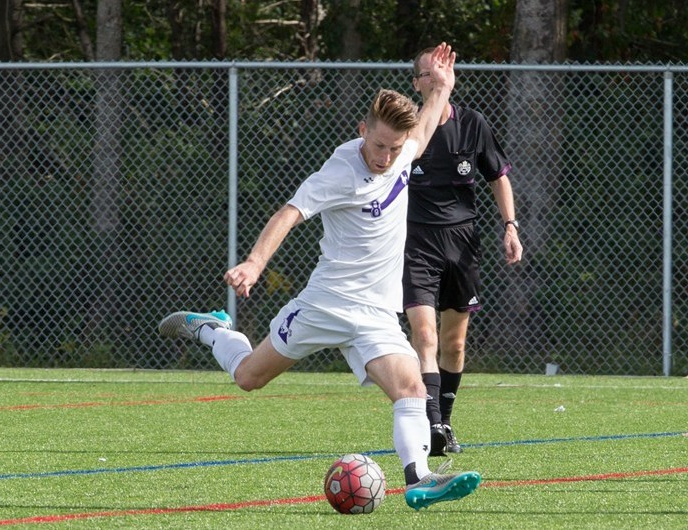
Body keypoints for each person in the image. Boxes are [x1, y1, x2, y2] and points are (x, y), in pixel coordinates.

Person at [157, 44, 481, 511]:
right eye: (378, 145)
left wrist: (443, 87)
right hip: (325, 304)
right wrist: (253, 263)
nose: (385, 157)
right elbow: (288, 215)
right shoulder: (339, 172)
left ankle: (419, 478)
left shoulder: (402, 149)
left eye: (394, 149)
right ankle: (212, 330)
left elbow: (426, 125)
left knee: (410, 387)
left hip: (374, 314)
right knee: (249, 378)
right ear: (362, 131)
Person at [403, 47, 523, 457]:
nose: (433, 79)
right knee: (424, 335)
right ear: (417, 83)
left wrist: (510, 225)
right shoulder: (406, 130)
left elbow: (498, 177)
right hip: (416, 243)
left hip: (462, 245)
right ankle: (430, 423)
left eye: (440, 72)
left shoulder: (473, 124)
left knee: (453, 344)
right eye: (426, 74)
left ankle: (445, 420)